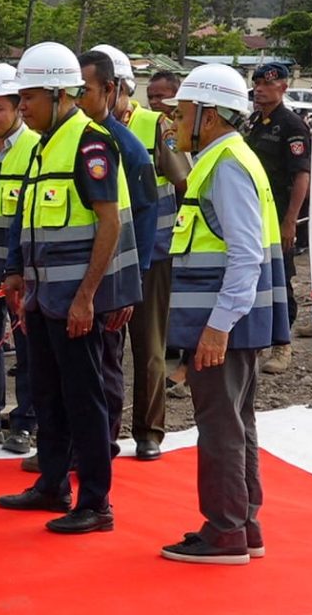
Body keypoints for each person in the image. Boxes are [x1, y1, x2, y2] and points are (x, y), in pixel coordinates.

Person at [0, 42, 142, 535]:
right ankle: (52, 484)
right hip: (43, 300)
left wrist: (87, 298)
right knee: (48, 395)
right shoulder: (43, 146)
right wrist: (16, 271)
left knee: (84, 399)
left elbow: (109, 224)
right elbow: (30, 218)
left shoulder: (90, 143)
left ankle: (96, 502)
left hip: (75, 303)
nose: (22, 107)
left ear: (60, 95)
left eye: (29, 98)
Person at [159, 63, 289, 565]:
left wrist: (217, 327)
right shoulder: (228, 158)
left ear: (209, 116)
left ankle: (225, 530)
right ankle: (243, 523)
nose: (174, 123)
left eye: (182, 113)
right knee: (235, 421)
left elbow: (245, 254)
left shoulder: (226, 165)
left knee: (219, 426)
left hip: (224, 323)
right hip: (232, 321)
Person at [95, 45, 192, 462]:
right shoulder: (89, 131)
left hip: (152, 253)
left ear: (120, 89)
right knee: (105, 348)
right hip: (106, 255)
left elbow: (184, 183)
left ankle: (149, 430)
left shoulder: (155, 125)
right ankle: (104, 430)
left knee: (148, 346)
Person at [78, 48, 154, 461]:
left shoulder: (126, 147)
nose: (76, 99)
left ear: (109, 89)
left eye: (84, 90)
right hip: (77, 275)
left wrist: (128, 285)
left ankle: (102, 444)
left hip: (110, 280)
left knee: (106, 363)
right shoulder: (66, 140)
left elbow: (142, 216)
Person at [0, 63, 40, 454]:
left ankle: (25, 422)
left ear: (17, 107)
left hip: (20, 266)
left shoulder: (36, 149)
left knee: (27, 345)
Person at [245, 62, 310, 373]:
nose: (259, 89)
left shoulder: (292, 125)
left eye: (267, 84)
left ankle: (283, 346)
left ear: (283, 87)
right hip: (253, 212)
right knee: (254, 275)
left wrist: (290, 221)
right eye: (256, 83)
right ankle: (258, 339)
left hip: (279, 213)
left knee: (280, 278)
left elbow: (301, 176)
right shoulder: (255, 121)